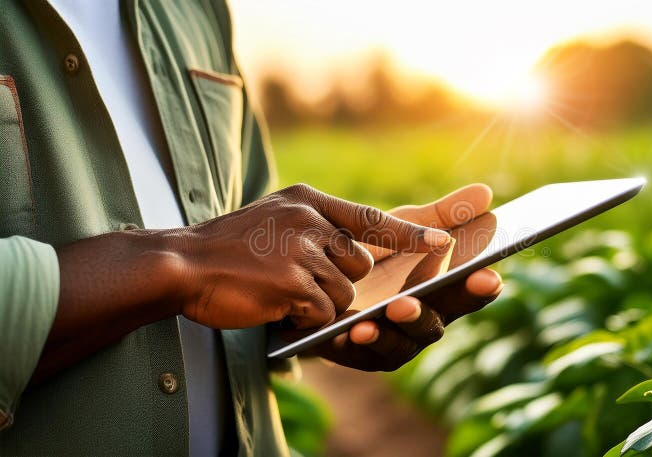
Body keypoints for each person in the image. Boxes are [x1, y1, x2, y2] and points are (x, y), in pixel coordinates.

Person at [0, 1, 503, 456]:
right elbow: (212, 255)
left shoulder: (195, 11)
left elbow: (244, 237)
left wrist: (322, 296)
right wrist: (185, 262)